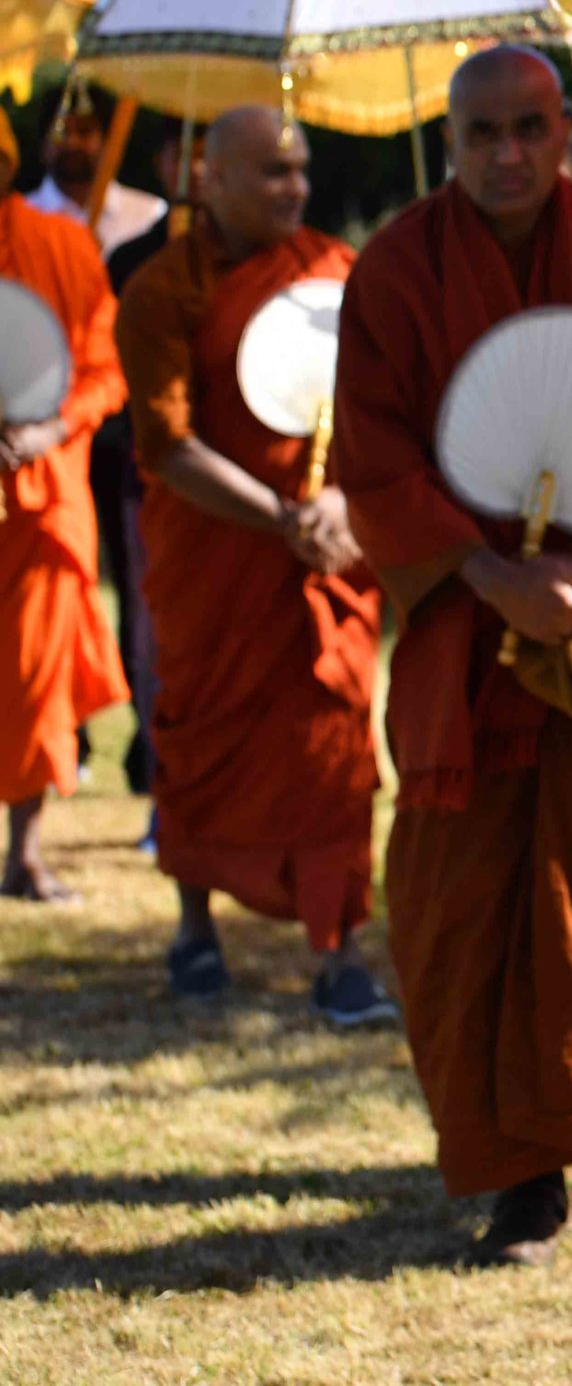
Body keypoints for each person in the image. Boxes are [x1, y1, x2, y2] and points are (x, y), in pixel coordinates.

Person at [334, 46, 572, 1266]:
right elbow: (373, 456)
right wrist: (491, 575)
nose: (507, 153)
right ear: (449, 142)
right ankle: (520, 1179)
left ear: (564, 133)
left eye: (529, 128)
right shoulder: (398, 267)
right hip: (464, 616)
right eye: (482, 132)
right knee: (469, 899)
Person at [113, 105, 394, 1023]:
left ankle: (338, 948)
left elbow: (381, 413)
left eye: (300, 167)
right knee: (199, 726)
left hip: (326, 554)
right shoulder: (163, 289)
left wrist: (341, 502)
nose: (294, 186)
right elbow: (166, 444)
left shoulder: (336, 273)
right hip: (215, 556)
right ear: (212, 179)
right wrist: (279, 517)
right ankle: (195, 925)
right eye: (272, 170)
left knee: (333, 740)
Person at [0, 109, 127, 902]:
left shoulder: (63, 245)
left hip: (40, 494)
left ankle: (24, 852)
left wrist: (49, 426)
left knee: (32, 674)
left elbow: (105, 372)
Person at [100, 126, 209, 822]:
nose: (193, 168)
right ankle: (156, 773)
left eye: (204, 153)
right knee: (148, 626)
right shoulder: (134, 260)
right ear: (162, 163)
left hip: (239, 482)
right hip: (146, 470)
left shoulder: (262, 261)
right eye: (181, 153)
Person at [30, 88, 166, 254]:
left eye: (84, 131)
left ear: (108, 142)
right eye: (61, 131)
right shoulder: (18, 221)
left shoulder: (150, 215)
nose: (72, 143)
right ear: (42, 144)